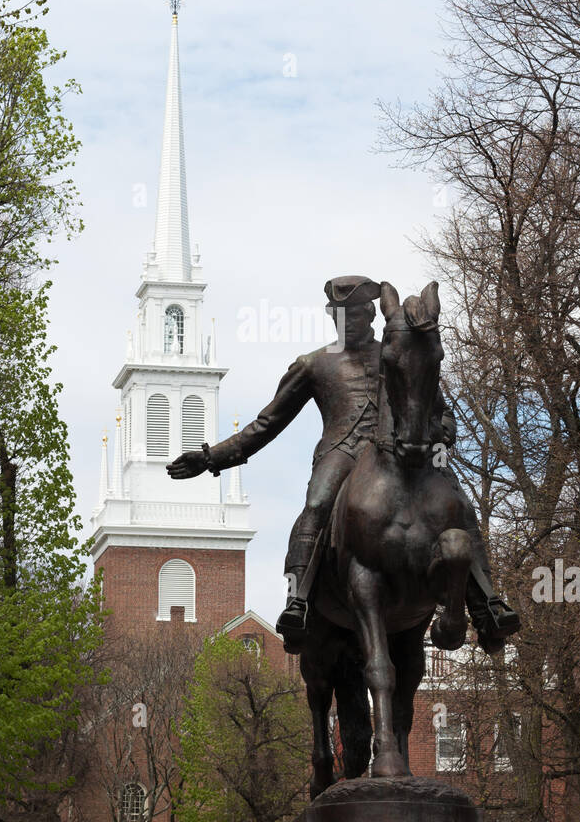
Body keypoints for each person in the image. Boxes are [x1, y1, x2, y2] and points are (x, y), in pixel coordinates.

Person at [167, 275, 518, 653]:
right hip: (343, 452)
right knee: (317, 505)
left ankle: (487, 605)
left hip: (401, 453)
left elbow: (440, 410)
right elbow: (267, 424)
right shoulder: (313, 364)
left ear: (369, 314)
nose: (344, 321)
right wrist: (211, 457)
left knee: (459, 505)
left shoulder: (398, 350)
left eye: (352, 313)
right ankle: (298, 601)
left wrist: (438, 434)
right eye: (337, 314)